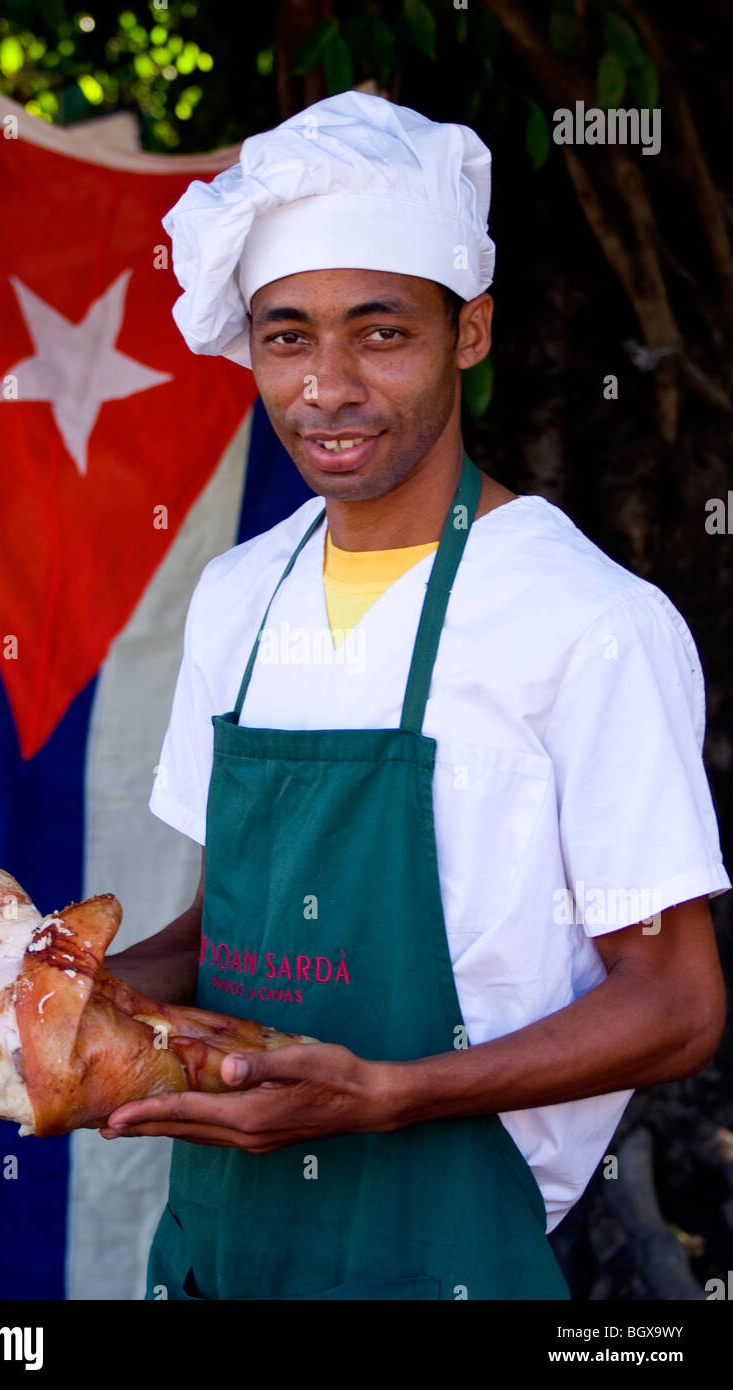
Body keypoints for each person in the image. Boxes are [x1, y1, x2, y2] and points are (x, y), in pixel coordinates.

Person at [101, 91, 730, 1302]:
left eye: (378, 333)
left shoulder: (588, 621)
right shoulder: (239, 594)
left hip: (452, 1254)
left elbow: (677, 1002)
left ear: (470, 331)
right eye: (286, 337)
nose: (326, 386)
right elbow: (217, 935)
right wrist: (44, 1015)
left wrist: (392, 1092)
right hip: (221, 1246)